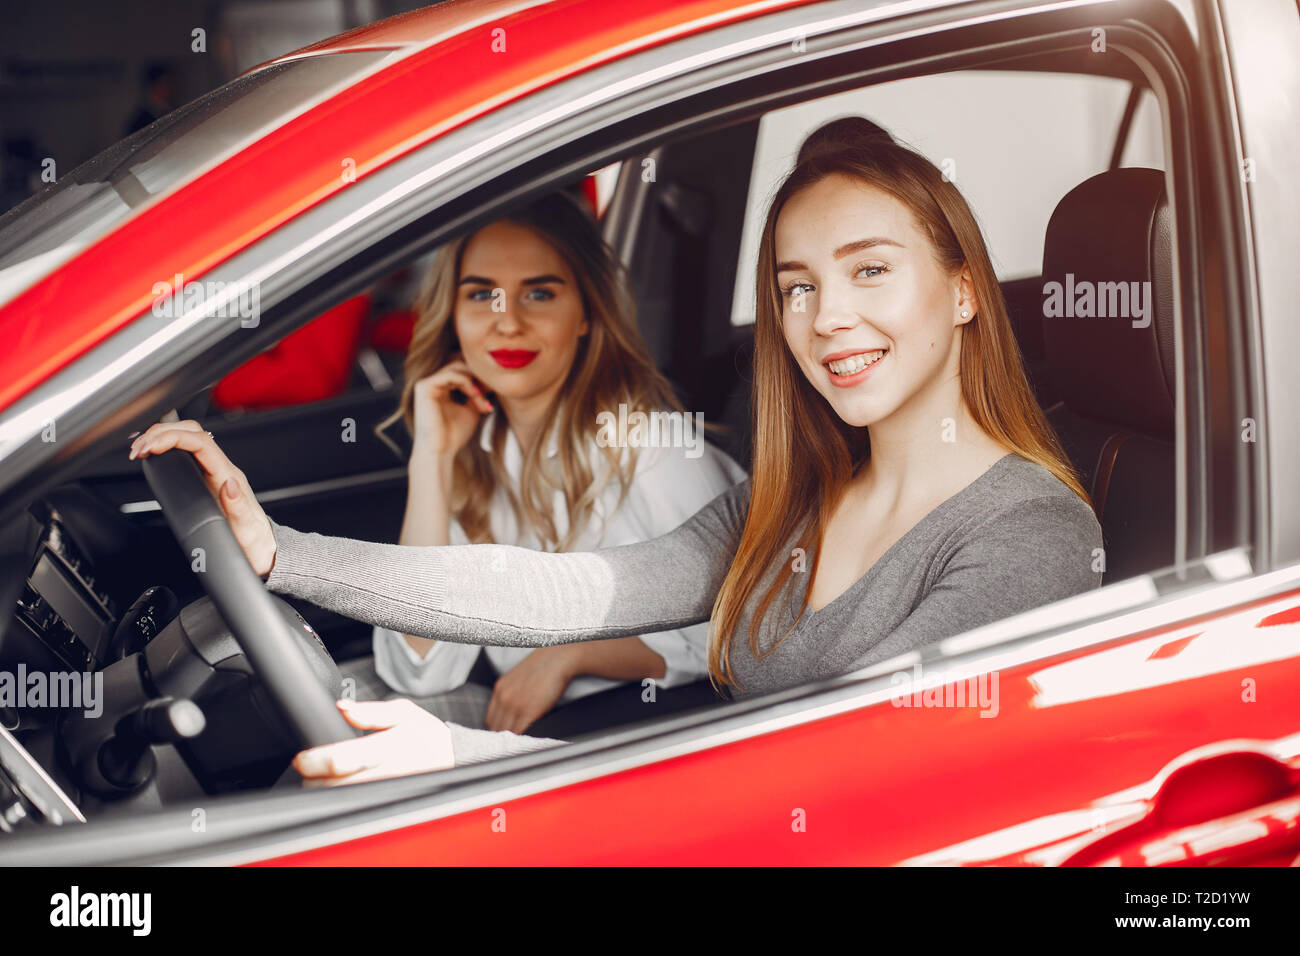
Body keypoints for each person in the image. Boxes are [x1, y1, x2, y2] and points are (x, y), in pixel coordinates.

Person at [130, 119, 1104, 787]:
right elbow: (555, 589)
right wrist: (278, 551)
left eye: (870, 271)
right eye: (797, 285)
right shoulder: (797, 494)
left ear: (966, 290)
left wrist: (468, 764)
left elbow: (817, 770)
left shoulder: (1028, 532)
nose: (827, 316)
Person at [344, 190, 744, 733]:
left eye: (538, 293)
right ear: (453, 316)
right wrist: (432, 463)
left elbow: (749, 637)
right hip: (537, 732)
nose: (507, 323)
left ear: (585, 314)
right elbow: (422, 669)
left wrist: (574, 654)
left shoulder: (657, 449)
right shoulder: (478, 459)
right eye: (483, 295)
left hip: (651, 736)